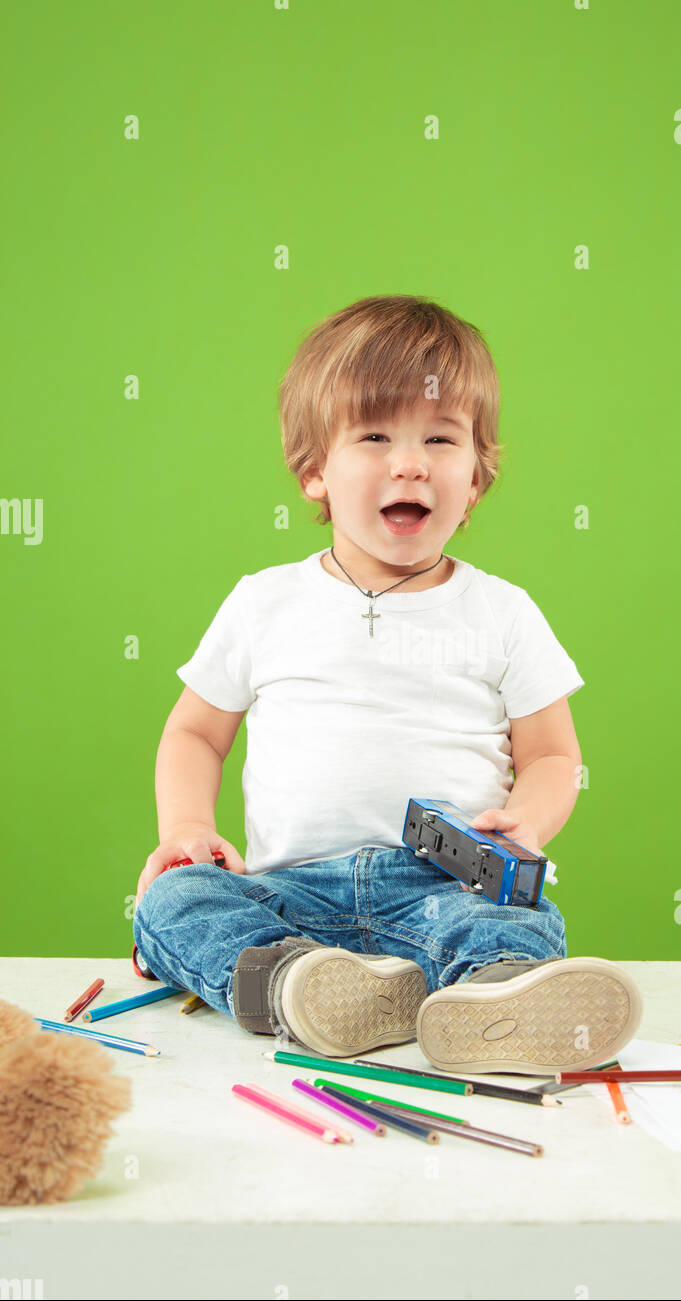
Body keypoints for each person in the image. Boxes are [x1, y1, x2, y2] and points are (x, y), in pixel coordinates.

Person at [133, 294, 642, 1075]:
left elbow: (551, 755)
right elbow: (195, 732)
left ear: (475, 479)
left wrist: (528, 826)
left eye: (440, 439)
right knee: (172, 904)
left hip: (439, 887)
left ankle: (492, 992)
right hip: (288, 899)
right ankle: (295, 986)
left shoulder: (503, 612)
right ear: (313, 473)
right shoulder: (263, 601)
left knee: (519, 919)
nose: (410, 462)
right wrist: (185, 830)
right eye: (375, 437)